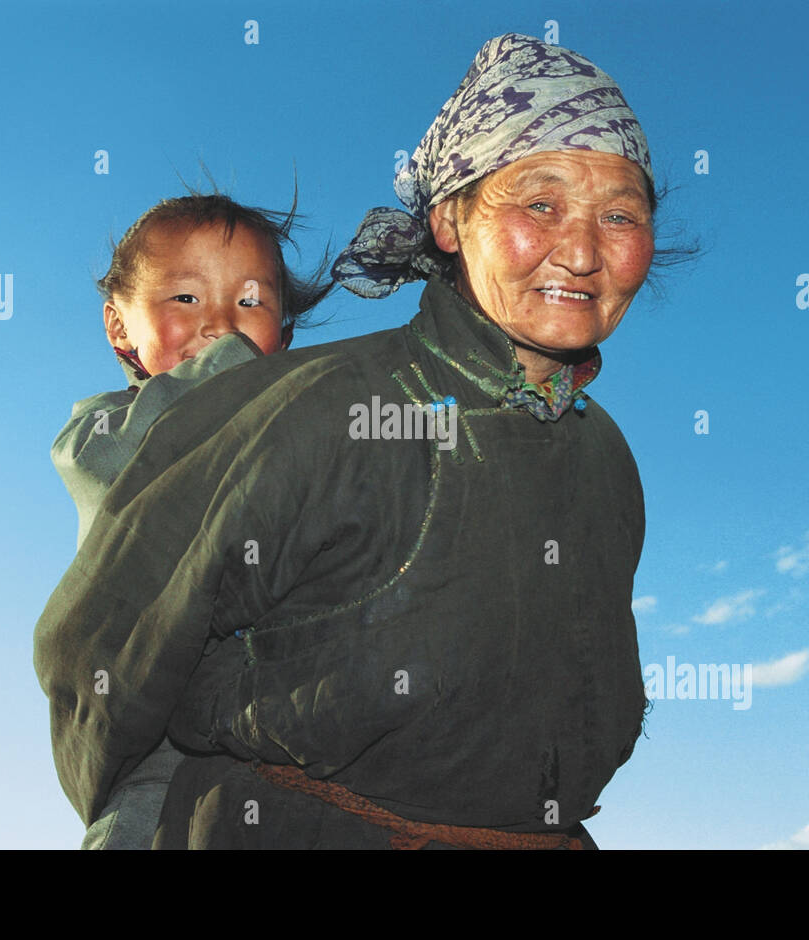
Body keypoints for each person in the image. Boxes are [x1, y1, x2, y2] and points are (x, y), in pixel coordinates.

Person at [36, 33, 659, 849]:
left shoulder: (608, 461)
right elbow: (100, 646)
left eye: (620, 214)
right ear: (448, 219)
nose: (580, 251)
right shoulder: (317, 407)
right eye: (538, 204)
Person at [50, 191, 332, 847]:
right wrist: (237, 361)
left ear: (284, 335)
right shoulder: (100, 434)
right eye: (185, 299)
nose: (219, 325)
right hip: (162, 757)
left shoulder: (305, 444)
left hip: (294, 747)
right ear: (119, 326)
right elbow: (147, 455)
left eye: (251, 302)